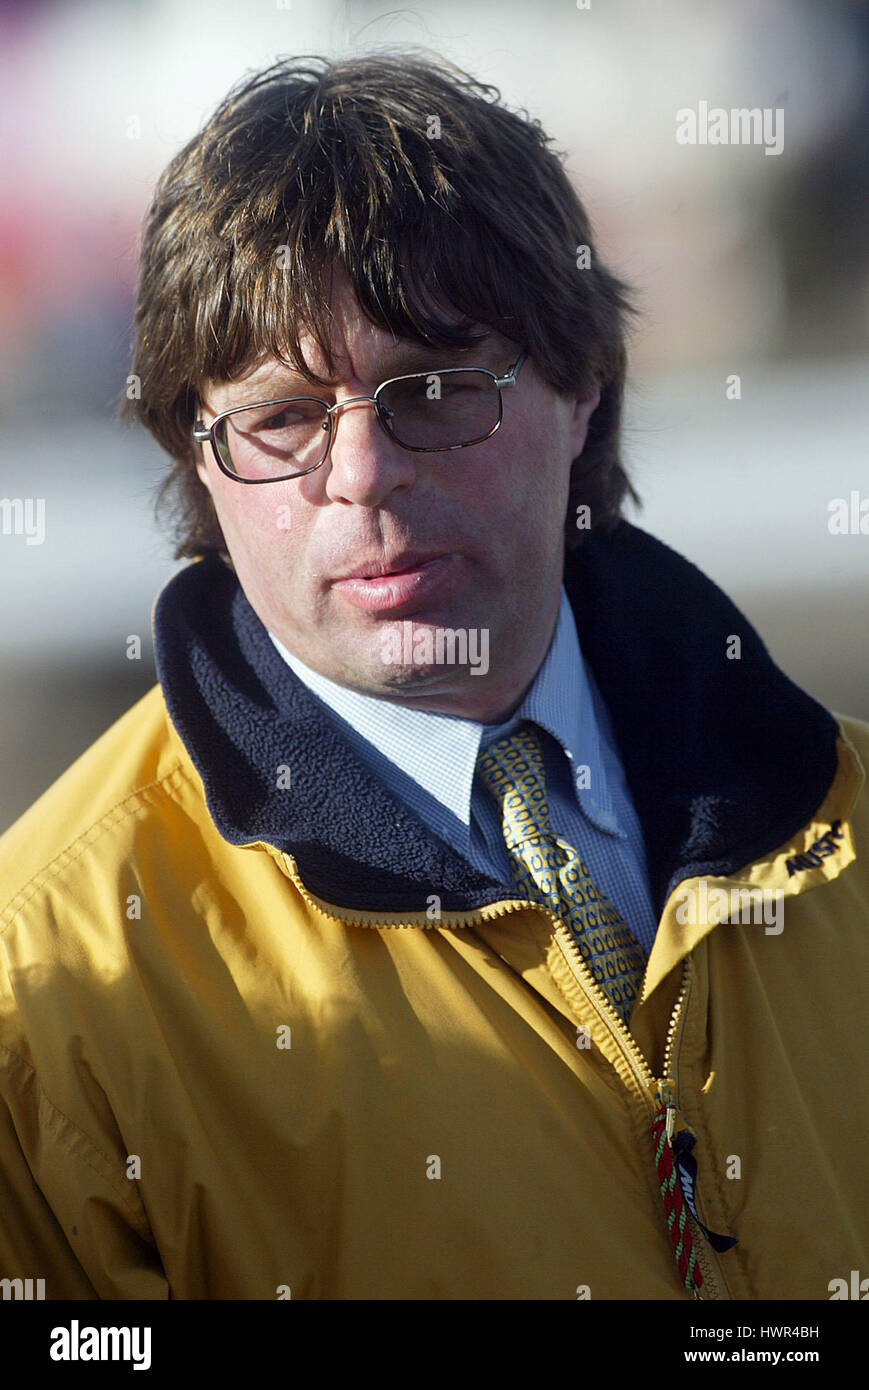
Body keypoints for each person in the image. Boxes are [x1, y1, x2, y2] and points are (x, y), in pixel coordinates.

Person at [1, 53, 867, 1303]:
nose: (361, 474)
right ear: (196, 456)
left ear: (580, 389)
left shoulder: (841, 810)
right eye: (281, 418)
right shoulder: (46, 988)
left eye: (436, 390)